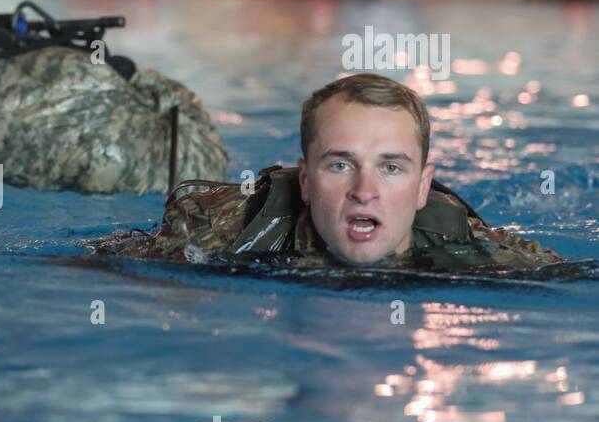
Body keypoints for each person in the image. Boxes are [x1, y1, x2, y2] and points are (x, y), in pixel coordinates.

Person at [95, 73, 563, 271]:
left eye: (391, 168)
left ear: (423, 186)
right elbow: (94, 263)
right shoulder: (221, 234)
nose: (365, 191)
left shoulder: (476, 251)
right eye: (340, 165)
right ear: (304, 180)